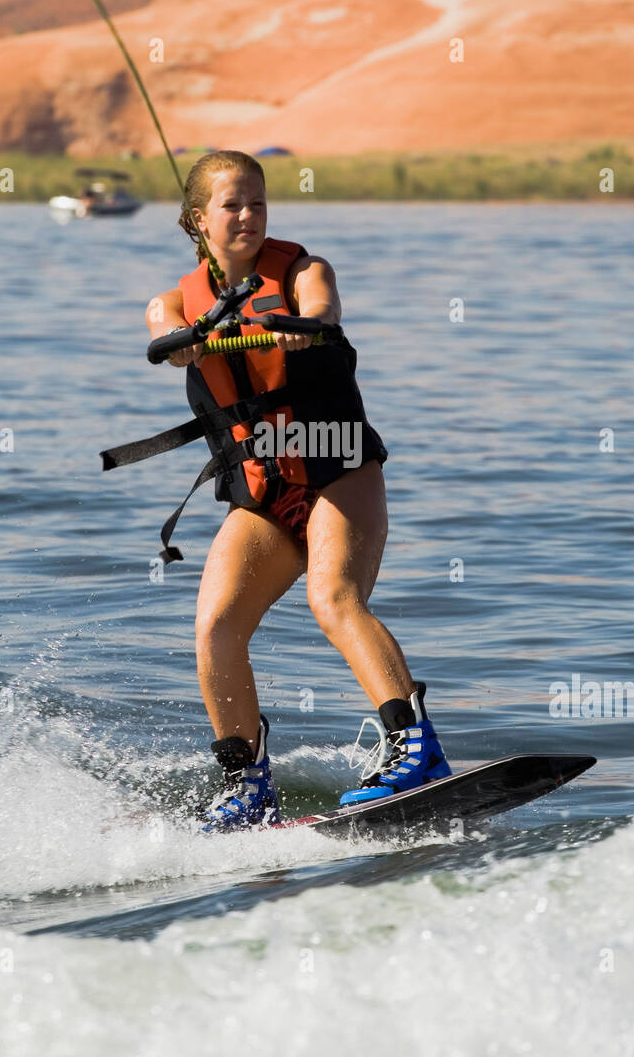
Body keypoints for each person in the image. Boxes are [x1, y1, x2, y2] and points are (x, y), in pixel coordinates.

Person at [144, 150, 452, 830]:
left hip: (337, 468)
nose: (250, 215)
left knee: (333, 598)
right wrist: (187, 343)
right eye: (233, 205)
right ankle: (248, 785)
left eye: (258, 202)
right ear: (200, 219)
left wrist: (300, 325)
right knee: (216, 627)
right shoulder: (174, 299)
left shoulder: (305, 272)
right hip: (265, 490)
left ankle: (416, 748)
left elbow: (322, 309)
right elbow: (163, 342)